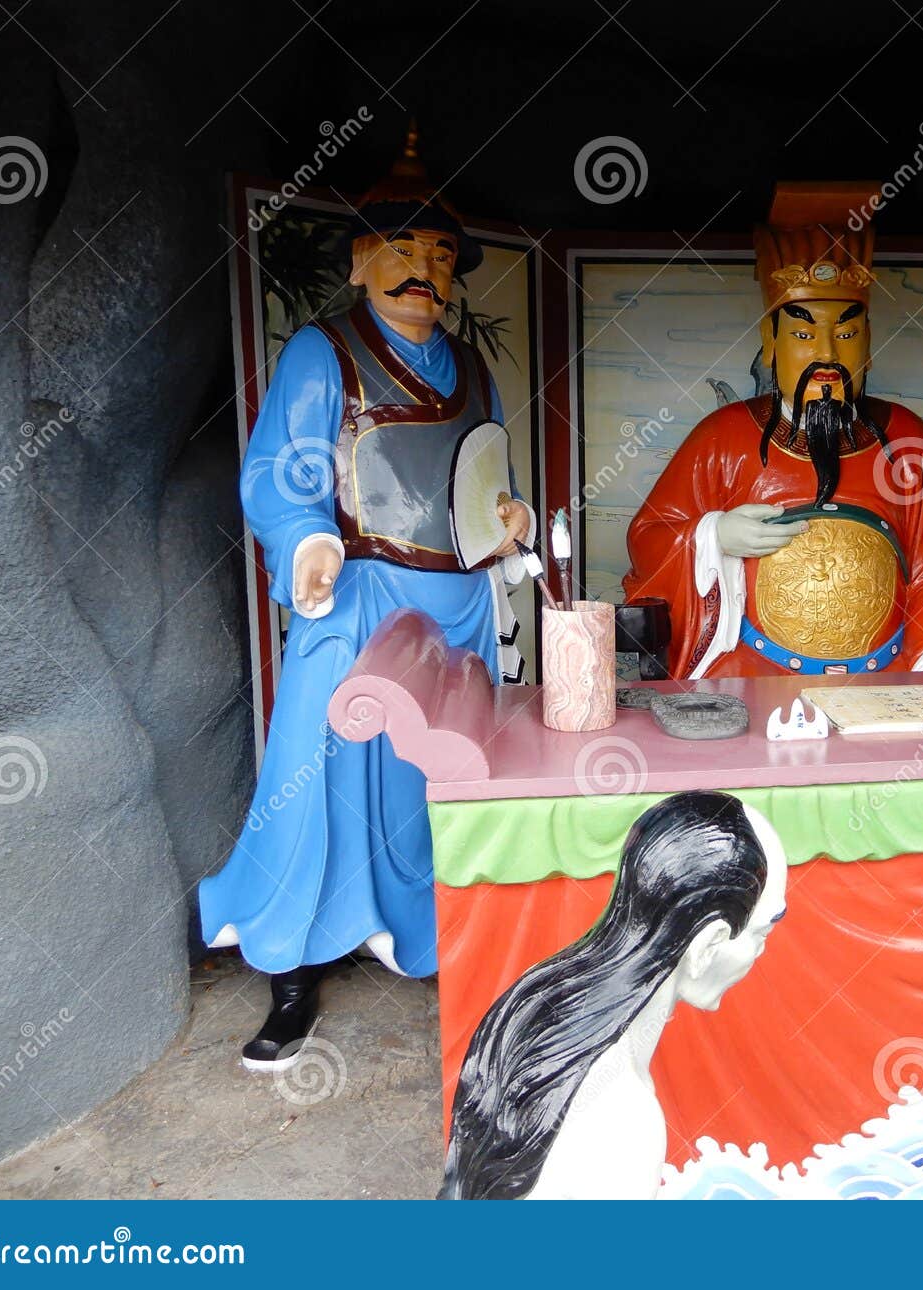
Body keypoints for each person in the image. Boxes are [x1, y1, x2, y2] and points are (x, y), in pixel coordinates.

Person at [201, 127, 535, 1070]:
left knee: (436, 779)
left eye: (441, 256)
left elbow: (484, 478)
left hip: (457, 605)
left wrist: (510, 518)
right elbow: (278, 470)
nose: (423, 271)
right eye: (403, 249)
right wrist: (307, 539)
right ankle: (293, 964)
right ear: (359, 261)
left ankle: (433, 929)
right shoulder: (325, 353)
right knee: (316, 774)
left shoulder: (472, 369)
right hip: (357, 594)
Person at [623, 182, 923, 678]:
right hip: (750, 667)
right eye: (802, 333)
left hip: (885, 670)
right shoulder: (723, 439)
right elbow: (648, 537)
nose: (827, 354)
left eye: (846, 333)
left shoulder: (906, 439)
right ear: (770, 341)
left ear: (868, 343)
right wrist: (713, 537)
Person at [440, 792, 788, 1200]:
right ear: (707, 945)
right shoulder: (624, 1122)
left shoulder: (533, 999)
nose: (761, 951)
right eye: (762, 933)